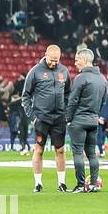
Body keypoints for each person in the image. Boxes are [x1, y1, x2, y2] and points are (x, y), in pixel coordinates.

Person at [22, 46, 71, 192]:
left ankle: (61, 183)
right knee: (39, 150)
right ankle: (38, 183)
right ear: (45, 55)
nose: (54, 63)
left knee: (60, 150)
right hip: (41, 119)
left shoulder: (64, 71)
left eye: (57, 61)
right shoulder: (35, 71)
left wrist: (67, 114)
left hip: (59, 119)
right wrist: (33, 117)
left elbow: (69, 94)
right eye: (51, 60)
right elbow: (25, 96)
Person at [66, 48, 108, 192]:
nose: (75, 63)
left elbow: (72, 101)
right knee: (91, 153)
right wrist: (95, 115)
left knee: (78, 153)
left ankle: (80, 184)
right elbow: (103, 101)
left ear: (84, 60)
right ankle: (93, 184)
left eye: (77, 60)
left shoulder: (81, 78)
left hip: (78, 121)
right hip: (93, 121)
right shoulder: (102, 79)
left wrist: (68, 119)